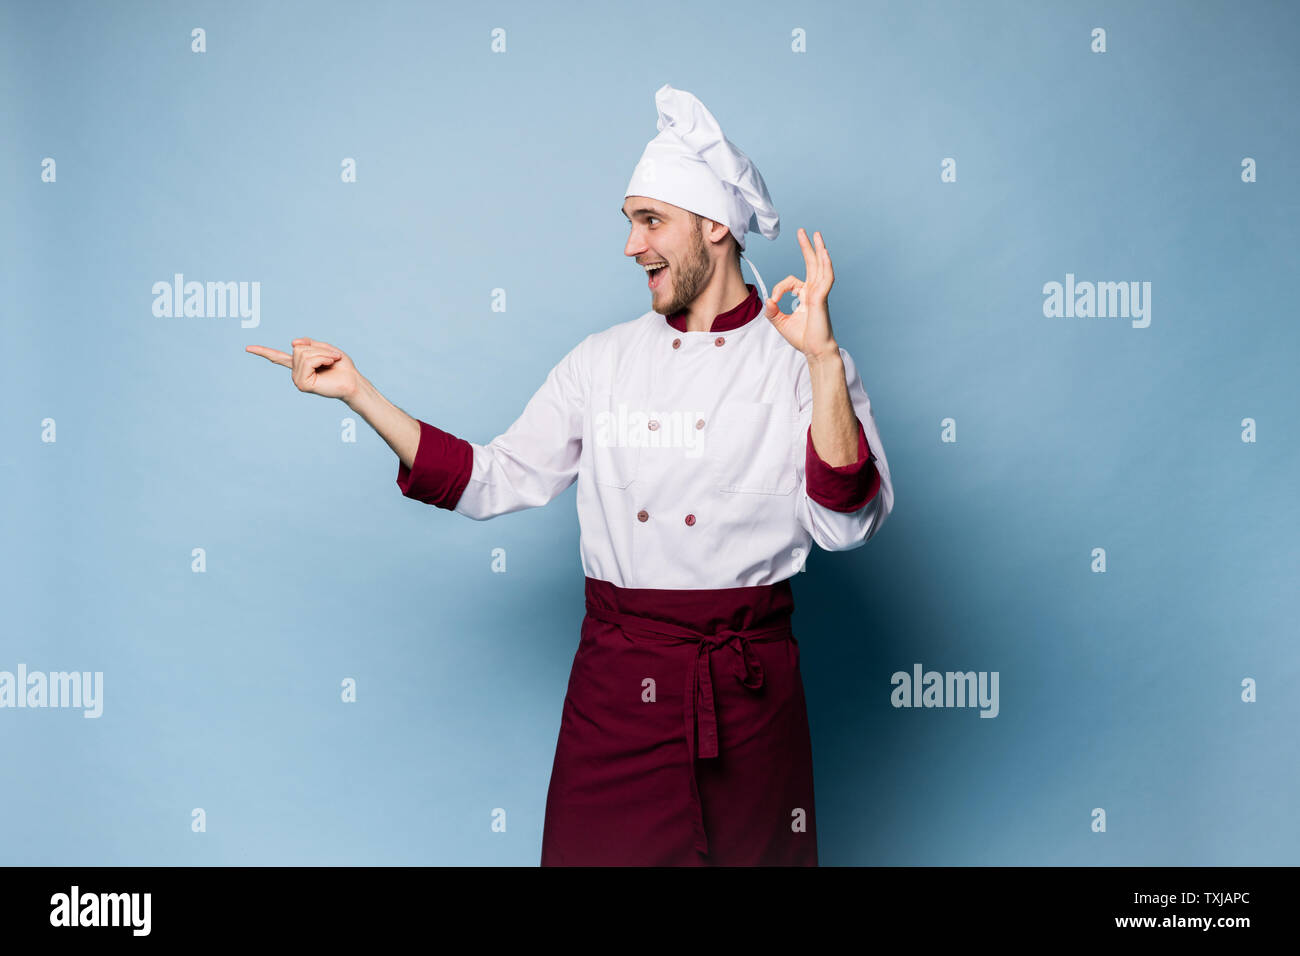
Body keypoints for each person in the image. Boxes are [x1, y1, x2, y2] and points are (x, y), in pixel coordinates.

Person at [246, 84, 894, 866]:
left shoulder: (805, 367)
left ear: (716, 226)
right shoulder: (602, 362)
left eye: (651, 220)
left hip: (748, 698)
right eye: (628, 223)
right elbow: (491, 479)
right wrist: (358, 392)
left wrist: (822, 360)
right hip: (619, 692)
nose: (630, 246)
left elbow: (846, 521)